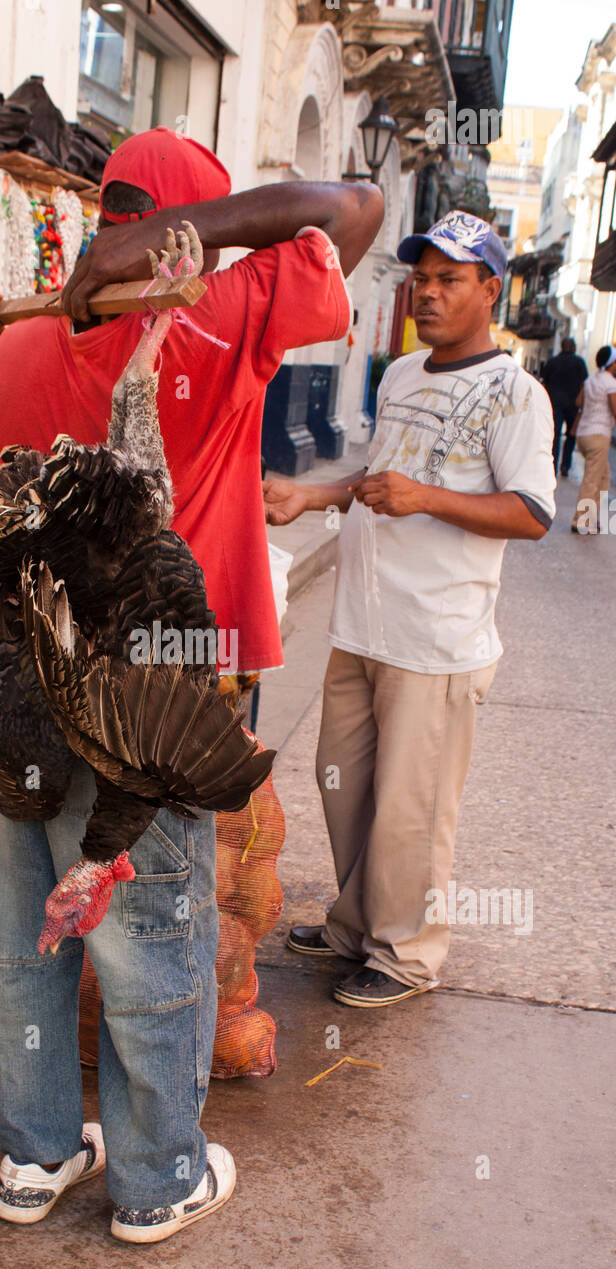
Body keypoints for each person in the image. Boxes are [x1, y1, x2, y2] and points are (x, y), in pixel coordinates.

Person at [0, 127, 384, 1239]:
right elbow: (354, 208)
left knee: (17, 934)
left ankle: (34, 1157)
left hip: (8, 684)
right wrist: (188, 241)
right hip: (148, 691)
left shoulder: (14, 351)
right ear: (185, 234)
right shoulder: (216, 312)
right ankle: (155, 1178)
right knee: (150, 933)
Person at [264, 209, 556, 1007]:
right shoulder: (398, 374)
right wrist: (311, 495)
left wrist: (427, 497)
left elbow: (532, 512)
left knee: (411, 811)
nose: (426, 294)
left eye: (448, 280)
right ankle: (357, 926)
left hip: (438, 637)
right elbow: (377, 483)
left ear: (490, 291)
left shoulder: (514, 394)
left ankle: (408, 954)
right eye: (420, 279)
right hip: (363, 624)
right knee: (346, 788)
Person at [571, 344, 616, 534]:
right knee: (591, 480)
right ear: (613, 363)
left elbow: (579, 402)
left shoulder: (590, 380)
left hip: (584, 434)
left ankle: (593, 517)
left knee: (604, 477)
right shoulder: (610, 383)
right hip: (599, 435)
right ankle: (581, 521)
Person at [541, 337, 588, 476]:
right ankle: (565, 465)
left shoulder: (552, 361)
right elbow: (584, 384)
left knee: (554, 437)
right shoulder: (579, 362)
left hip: (555, 404)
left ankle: (553, 466)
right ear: (573, 347)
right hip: (572, 405)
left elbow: (544, 381)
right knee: (571, 436)